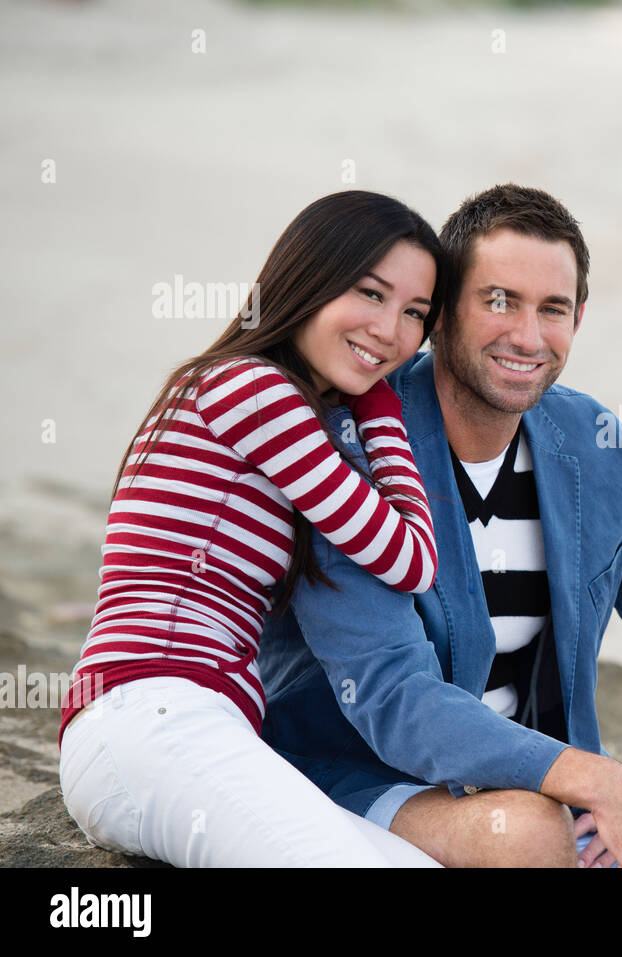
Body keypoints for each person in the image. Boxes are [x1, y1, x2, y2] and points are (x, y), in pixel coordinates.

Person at [260, 183, 622, 867]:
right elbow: (395, 698)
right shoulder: (350, 448)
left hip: (539, 788)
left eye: (552, 309)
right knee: (524, 834)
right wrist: (600, 777)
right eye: (498, 301)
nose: (526, 335)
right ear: (442, 313)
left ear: (578, 317)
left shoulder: (593, 446)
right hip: (355, 775)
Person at [57, 190, 449, 867]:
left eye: (415, 313)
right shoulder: (254, 390)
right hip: (148, 716)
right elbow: (411, 556)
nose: (391, 330)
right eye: (371, 293)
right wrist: (379, 398)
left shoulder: (271, 400)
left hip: (202, 729)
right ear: (308, 278)